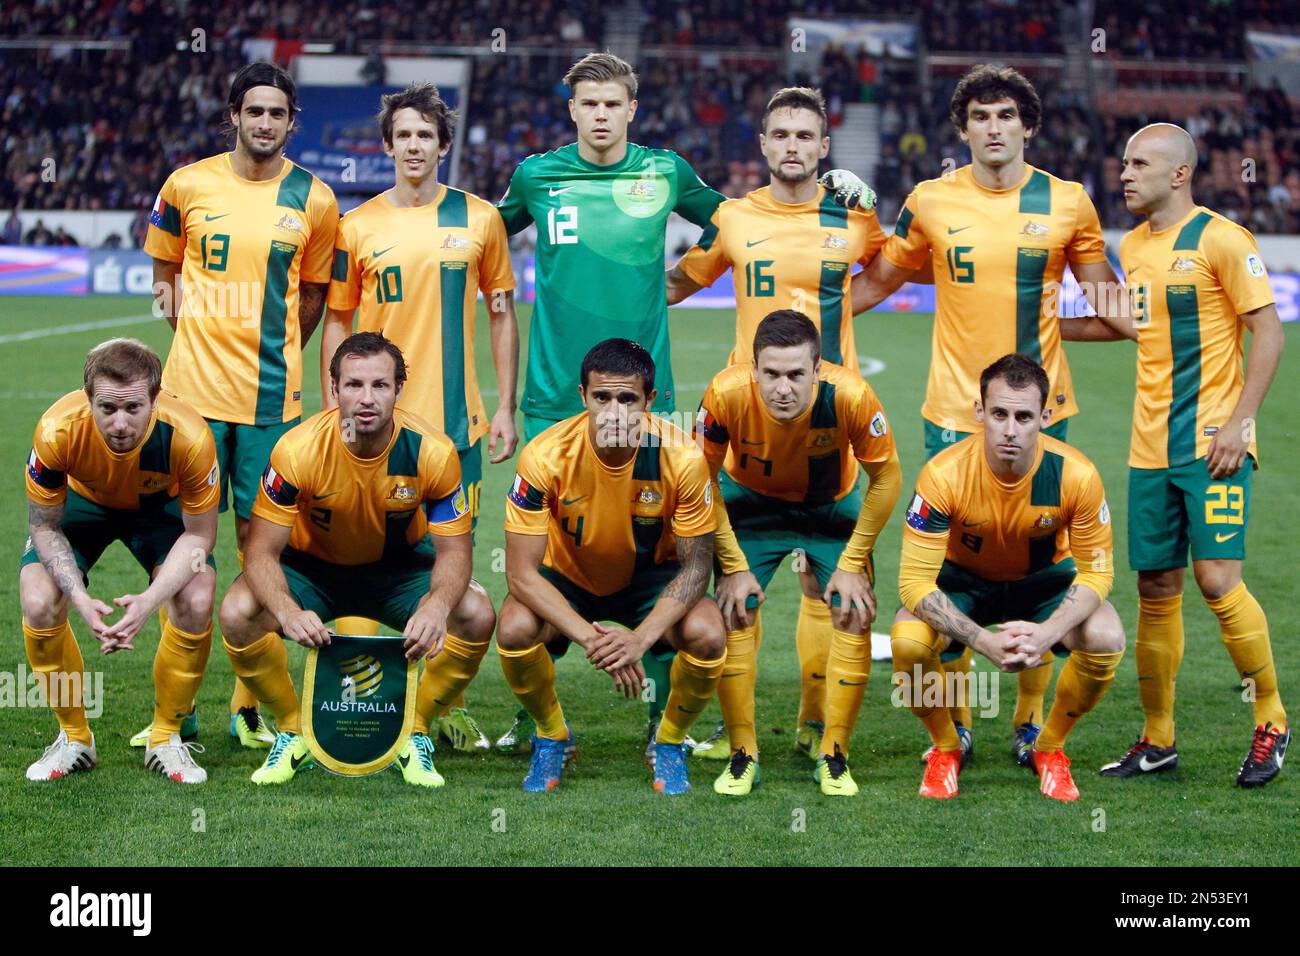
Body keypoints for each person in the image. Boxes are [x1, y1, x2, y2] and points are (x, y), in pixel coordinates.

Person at [851, 63, 1129, 768]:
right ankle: (958, 724)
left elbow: (1114, 307)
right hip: (953, 411)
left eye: (1007, 115)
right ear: (963, 129)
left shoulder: (1068, 202)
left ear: (1028, 125)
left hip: (1042, 414)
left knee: (1039, 561)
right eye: (981, 116)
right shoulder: (930, 200)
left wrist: (1175, 315)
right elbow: (878, 279)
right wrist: (804, 314)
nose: (994, 127)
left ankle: (1029, 720)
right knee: (953, 570)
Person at [666, 88, 894, 761]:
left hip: (830, 425)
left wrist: (837, 309)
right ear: (763, 144)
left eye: (804, 135)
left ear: (824, 146)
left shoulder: (852, 216)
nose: (792, 145)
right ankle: (735, 732)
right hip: (749, 426)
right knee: (737, 588)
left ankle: (814, 725)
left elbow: (891, 271)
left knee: (824, 586)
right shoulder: (734, 218)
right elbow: (681, 282)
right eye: (780, 134)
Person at [140, 61, 339, 750]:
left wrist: (276, 353)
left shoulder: (315, 198)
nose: (265, 123)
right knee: (183, 555)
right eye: (254, 110)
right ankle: (178, 710)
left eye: (277, 113)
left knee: (264, 551)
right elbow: (164, 273)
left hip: (270, 408)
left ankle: (247, 706)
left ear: (292, 123)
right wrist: (196, 341)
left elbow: (313, 295)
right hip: (188, 403)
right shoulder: (186, 185)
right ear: (233, 116)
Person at [322, 81, 519, 753]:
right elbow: (338, 320)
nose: (413, 145)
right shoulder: (357, 226)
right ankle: (358, 702)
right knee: (365, 561)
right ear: (387, 145)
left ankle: (442, 707)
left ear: (443, 145)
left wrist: (505, 406)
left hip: (455, 429)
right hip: (373, 430)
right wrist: (333, 407)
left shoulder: (480, 219)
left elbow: (501, 314)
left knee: (450, 568)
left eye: (425, 135)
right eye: (403, 134)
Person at [217, 332, 495, 786]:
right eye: (354, 384)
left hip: (398, 571)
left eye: (380, 385)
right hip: (313, 571)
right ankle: (294, 729)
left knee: (476, 613)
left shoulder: (433, 451)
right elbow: (260, 551)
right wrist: (287, 611)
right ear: (334, 388)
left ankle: (414, 731)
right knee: (237, 611)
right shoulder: (297, 450)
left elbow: (456, 552)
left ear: (399, 389)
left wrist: (437, 606)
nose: (367, 398)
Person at [1099, 123, 1288, 787]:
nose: (1125, 174)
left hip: (1212, 442)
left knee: (1216, 580)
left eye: (1139, 163)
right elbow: (1138, 327)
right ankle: (1158, 738)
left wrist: (1240, 424)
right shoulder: (1133, 246)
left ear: (1179, 173)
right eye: (1124, 163)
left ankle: (1271, 718)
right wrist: (1043, 327)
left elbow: (1268, 332)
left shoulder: (1222, 239)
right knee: (1155, 590)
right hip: (1147, 447)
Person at [496, 338, 725, 794]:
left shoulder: (683, 457)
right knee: (514, 627)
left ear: (649, 400)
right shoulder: (544, 455)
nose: (614, 412)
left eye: (627, 399)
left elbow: (697, 570)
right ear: (583, 395)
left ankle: (669, 741)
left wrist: (640, 639)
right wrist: (592, 638)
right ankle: (552, 735)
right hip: (568, 580)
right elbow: (520, 574)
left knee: (708, 633)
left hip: (651, 582)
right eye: (602, 397)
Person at [893, 354, 1125, 801]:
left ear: (1046, 417)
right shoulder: (944, 474)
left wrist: (1048, 633)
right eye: (999, 414)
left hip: (1043, 583)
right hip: (964, 583)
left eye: (1024, 417)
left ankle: (1048, 746)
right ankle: (946, 746)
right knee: (907, 642)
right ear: (979, 412)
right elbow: (914, 584)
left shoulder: (1076, 475)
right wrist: (984, 641)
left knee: (1106, 636)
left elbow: (1098, 573)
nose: (1010, 430)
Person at [697, 311, 901, 796]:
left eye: (795, 374)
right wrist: (733, 566)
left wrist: (852, 563)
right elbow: (699, 477)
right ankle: (743, 752)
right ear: (753, 369)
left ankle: (831, 748)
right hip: (751, 504)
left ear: (817, 369)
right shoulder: (724, 393)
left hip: (829, 507)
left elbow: (887, 477)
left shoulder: (851, 396)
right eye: (771, 374)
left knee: (853, 609)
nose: (783, 388)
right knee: (734, 608)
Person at [21, 339, 219, 784]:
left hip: (159, 509)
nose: (120, 423)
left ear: (156, 398)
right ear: (87, 398)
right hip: (84, 504)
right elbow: (45, 527)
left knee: (197, 596)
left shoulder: (189, 436)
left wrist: (149, 602)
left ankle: (166, 737)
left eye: (133, 408)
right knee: (38, 599)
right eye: (107, 408)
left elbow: (200, 537)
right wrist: (78, 596)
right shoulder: (56, 430)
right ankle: (74, 738)